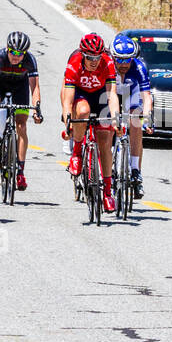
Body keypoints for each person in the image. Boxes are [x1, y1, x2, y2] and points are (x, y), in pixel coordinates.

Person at [61, 32, 120, 214]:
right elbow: (67, 100)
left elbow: (112, 95)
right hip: (80, 93)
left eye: (97, 57)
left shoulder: (108, 63)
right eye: (90, 58)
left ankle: (107, 193)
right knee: (83, 111)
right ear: (83, 55)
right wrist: (67, 123)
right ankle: (77, 152)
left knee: (105, 140)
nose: (94, 61)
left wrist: (116, 120)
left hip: (100, 95)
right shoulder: (74, 62)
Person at [0, 30, 43, 189]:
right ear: (7, 48)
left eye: (20, 53)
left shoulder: (30, 60)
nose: (16, 56)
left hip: (20, 88)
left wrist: (37, 109)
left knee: (21, 126)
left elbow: (35, 88)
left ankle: (20, 172)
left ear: (25, 53)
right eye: (13, 52)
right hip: (1, 86)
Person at [109, 33, 152, 199]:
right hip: (110, 94)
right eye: (119, 60)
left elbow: (146, 97)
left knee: (136, 120)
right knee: (107, 123)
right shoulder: (107, 65)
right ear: (113, 57)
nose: (124, 64)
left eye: (128, 60)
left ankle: (135, 171)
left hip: (131, 94)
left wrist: (147, 119)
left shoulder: (139, 67)